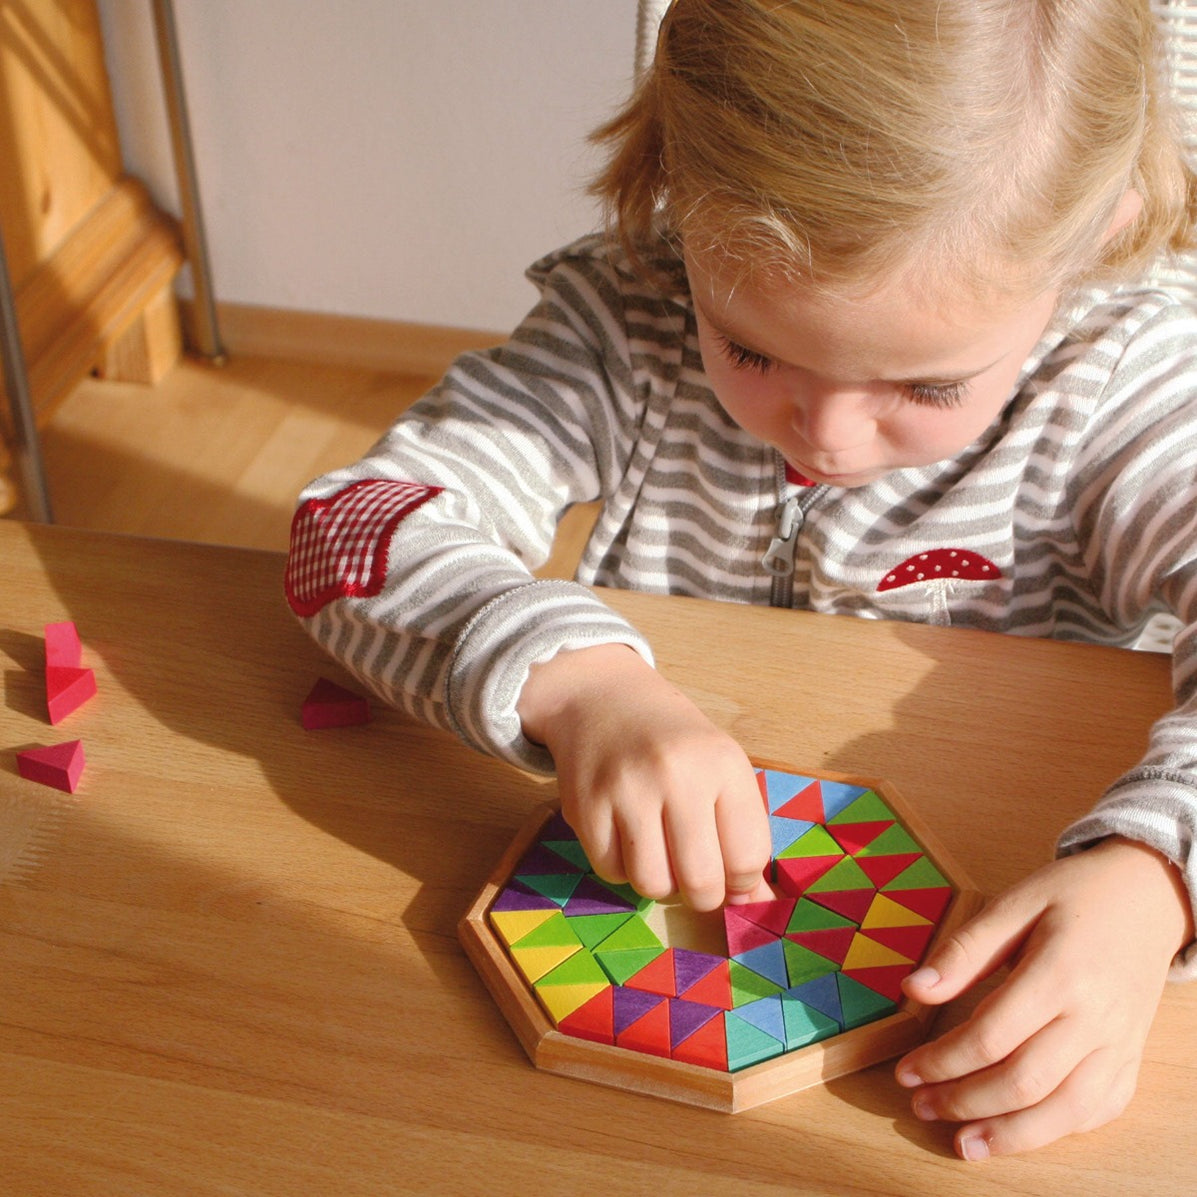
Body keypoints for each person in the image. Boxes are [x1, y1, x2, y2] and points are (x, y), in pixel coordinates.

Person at [285, 0, 1197, 1162]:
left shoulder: (1125, 383)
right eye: (753, 349)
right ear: (675, 190)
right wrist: (580, 686)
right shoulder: (629, 319)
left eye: (925, 387)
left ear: (1094, 234)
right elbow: (350, 532)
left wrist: (1156, 878)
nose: (827, 431)